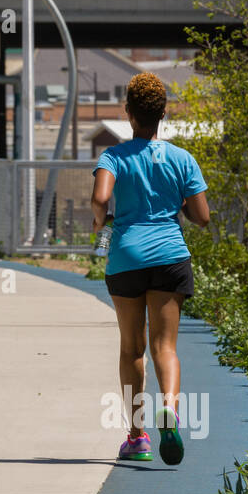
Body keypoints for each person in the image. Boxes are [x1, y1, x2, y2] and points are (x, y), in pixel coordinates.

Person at [90, 72, 210, 465]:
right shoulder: (182, 158)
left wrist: (100, 220)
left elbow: (100, 196)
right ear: (163, 114)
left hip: (126, 258)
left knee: (131, 347)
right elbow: (202, 217)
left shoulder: (113, 157)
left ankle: (137, 436)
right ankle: (171, 412)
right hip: (170, 258)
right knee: (166, 346)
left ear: (128, 114)